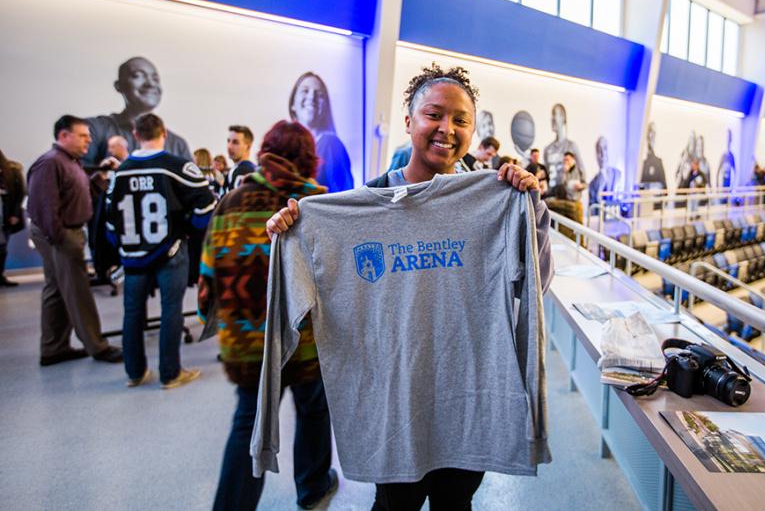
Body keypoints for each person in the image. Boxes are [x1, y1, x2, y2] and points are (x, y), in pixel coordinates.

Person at [265, 63, 553, 511]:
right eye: (434, 115)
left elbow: (536, 283)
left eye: (461, 120)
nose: (447, 129)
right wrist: (291, 235)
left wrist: (530, 211)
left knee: (456, 503)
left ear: (472, 131)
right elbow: (295, 300)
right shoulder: (358, 209)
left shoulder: (493, 200)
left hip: (466, 401)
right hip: (393, 404)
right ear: (409, 122)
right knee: (395, 503)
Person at [200, 121, 336, 511]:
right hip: (306, 340)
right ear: (309, 159)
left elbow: (208, 276)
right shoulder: (318, 205)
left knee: (249, 420)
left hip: (249, 342)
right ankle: (312, 488)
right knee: (313, 409)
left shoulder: (229, 204)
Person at [106, 114, 216, 388]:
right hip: (170, 251)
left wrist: (123, 246)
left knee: (132, 312)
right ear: (163, 132)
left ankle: (135, 372)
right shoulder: (177, 166)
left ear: (134, 133)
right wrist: (188, 229)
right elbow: (206, 206)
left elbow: (108, 222)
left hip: (132, 256)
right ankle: (170, 373)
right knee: (171, 309)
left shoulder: (120, 172)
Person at [27, 116, 123, 365]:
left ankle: (53, 348)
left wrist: (101, 176)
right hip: (61, 236)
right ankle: (97, 346)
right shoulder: (50, 164)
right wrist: (60, 238)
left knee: (56, 290)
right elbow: (44, 206)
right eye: (83, 135)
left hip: (64, 233)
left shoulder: (70, 163)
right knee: (77, 290)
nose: (89, 140)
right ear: (63, 136)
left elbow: (80, 195)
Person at [83, 57, 191, 166]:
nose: (150, 84)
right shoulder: (94, 129)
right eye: (137, 76)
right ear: (118, 85)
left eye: (155, 79)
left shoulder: (177, 144)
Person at [289, 72, 354, 192]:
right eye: (305, 91)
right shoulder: (287, 147)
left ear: (325, 107)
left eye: (319, 95)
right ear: (292, 103)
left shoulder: (331, 145)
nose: (311, 97)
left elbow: (343, 197)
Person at [543, 104, 584, 189]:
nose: (552, 118)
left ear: (563, 118)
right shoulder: (547, 149)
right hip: (551, 197)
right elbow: (546, 176)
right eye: (552, 115)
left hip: (567, 198)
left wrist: (579, 186)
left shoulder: (572, 146)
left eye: (555, 114)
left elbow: (582, 175)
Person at [0, 149, 26, 287]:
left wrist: (15, 214)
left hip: (5, 216)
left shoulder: (12, 171)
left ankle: (0, 276)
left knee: (2, 248)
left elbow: (20, 193)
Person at [588, 136, 622, 208]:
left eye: (605, 149)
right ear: (596, 155)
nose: (603, 154)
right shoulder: (592, 184)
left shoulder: (617, 175)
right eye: (599, 151)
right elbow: (592, 208)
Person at [226, 125, 256, 193]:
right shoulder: (237, 168)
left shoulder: (243, 171)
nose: (229, 146)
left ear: (248, 147)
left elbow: (234, 202)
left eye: (235, 142)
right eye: (228, 141)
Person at [639, 121, 667, 191]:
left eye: (653, 134)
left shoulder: (658, 162)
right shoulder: (641, 161)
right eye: (649, 133)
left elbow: (664, 187)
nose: (651, 137)